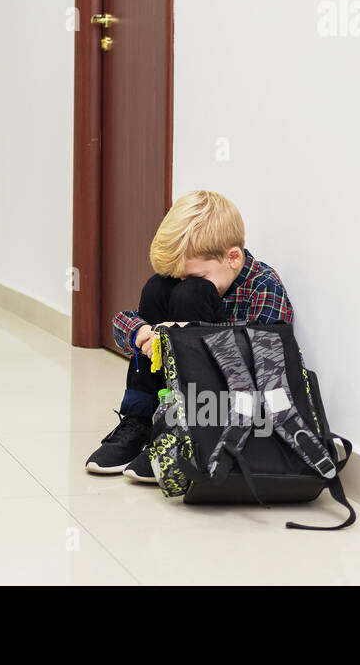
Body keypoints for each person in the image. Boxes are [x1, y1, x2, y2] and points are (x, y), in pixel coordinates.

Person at [84, 190, 293, 478]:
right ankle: (141, 421)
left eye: (195, 274)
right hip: (175, 391)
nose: (185, 282)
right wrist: (143, 332)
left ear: (233, 257)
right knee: (158, 286)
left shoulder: (263, 285)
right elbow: (123, 321)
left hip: (225, 405)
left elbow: (266, 348)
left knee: (193, 294)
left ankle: (183, 431)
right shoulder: (196, 277)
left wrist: (188, 333)